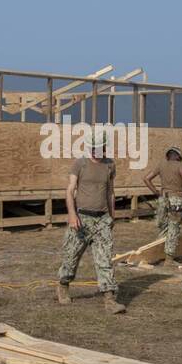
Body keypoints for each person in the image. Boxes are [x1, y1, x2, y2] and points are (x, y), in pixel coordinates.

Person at [57, 133, 125, 314]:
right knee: (71, 256)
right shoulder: (80, 164)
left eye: (99, 148)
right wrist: (72, 215)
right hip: (81, 218)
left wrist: (112, 216)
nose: (96, 152)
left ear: (104, 147)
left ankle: (109, 299)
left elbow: (110, 191)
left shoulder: (109, 164)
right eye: (93, 149)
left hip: (102, 218)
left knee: (104, 259)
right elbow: (70, 190)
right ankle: (63, 285)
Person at [143, 146, 182, 265]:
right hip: (176, 199)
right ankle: (169, 259)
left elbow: (146, 178)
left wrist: (156, 192)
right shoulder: (180, 165)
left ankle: (156, 252)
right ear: (178, 156)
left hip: (163, 199)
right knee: (174, 227)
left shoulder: (161, 165)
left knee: (163, 227)